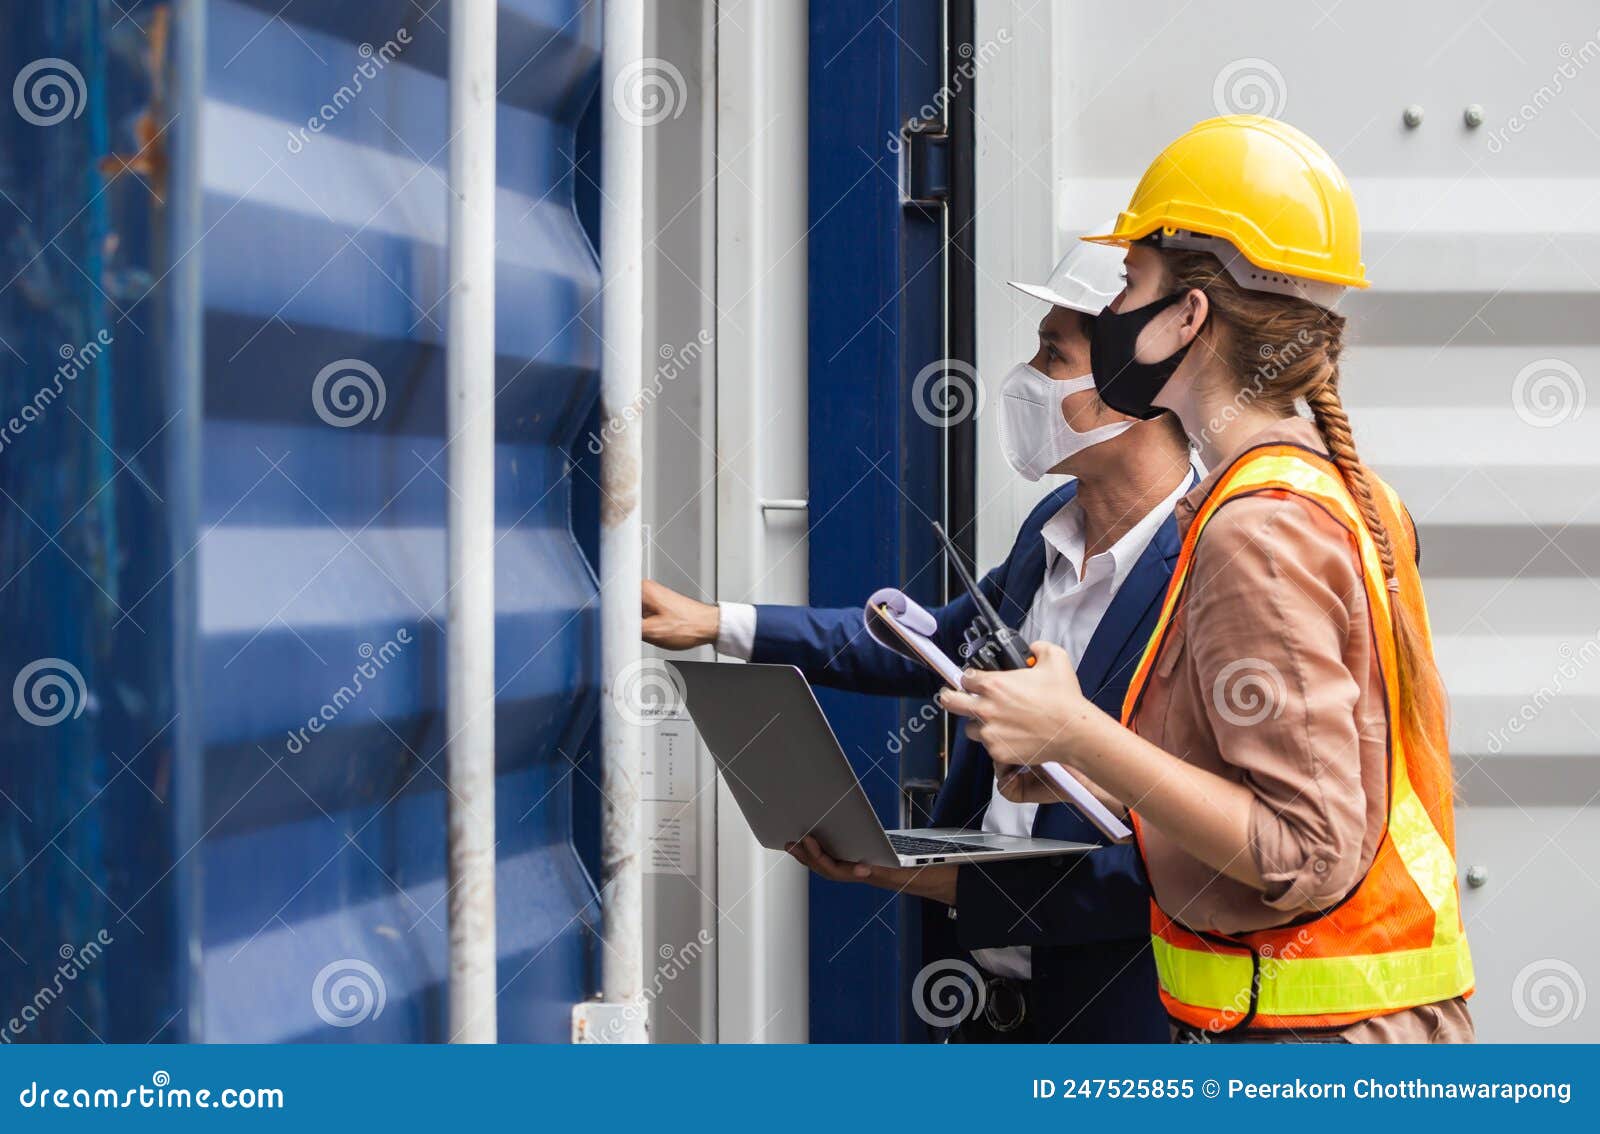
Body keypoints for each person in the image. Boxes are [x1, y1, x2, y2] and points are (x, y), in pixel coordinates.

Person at [942, 115, 1474, 1043]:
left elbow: (1300, 851)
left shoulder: (1257, 529)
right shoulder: (1312, 490)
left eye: (1130, 284)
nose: (1109, 313)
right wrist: (1081, 778)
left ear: (1189, 316)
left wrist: (1080, 734)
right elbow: (1272, 783)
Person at [642, 235, 1198, 1043]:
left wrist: (917, 878)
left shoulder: (1207, 570)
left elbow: (1184, 866)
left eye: (1052, 353)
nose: (1027, 379)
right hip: (988, 1013)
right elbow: (935, 644)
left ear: (1132, 384)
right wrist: (720, 624)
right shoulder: (1054, 529)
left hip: (1115, 1034)